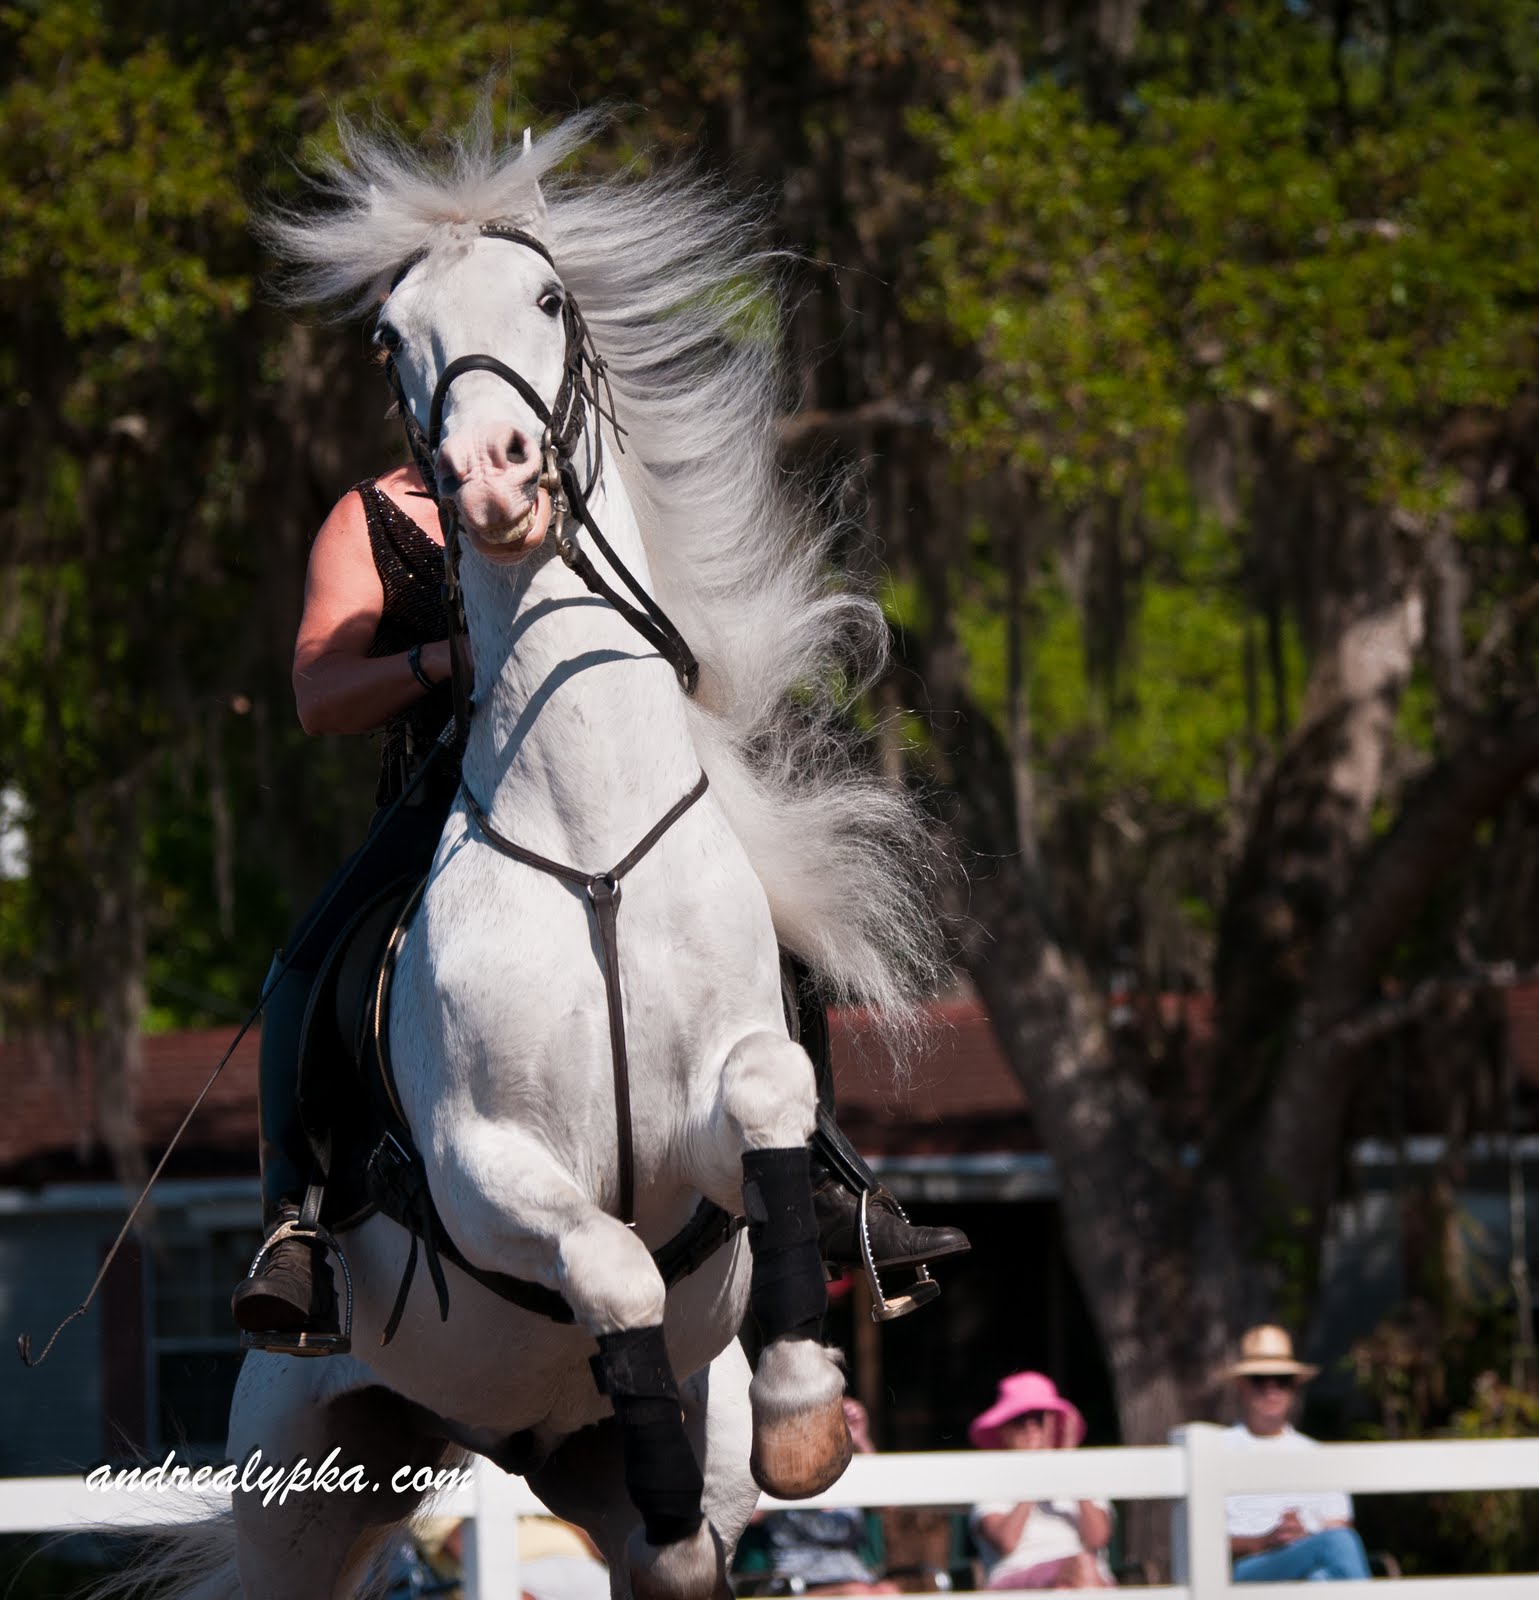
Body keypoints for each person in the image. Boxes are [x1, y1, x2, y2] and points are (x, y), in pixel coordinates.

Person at [230, 463, 968, 1348]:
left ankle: (826, 1184)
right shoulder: (376, 517)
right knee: (304, 966)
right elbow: (320, 694)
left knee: (772, 927)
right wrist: (451, 657)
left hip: (626, 792)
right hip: (450, 809)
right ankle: (297, 1227)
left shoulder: (601, 490)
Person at [1220, 1324, 1373, 1584]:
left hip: (1311, 1562)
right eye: (1259, 1379)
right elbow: (1201, 1539)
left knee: (1321, 1577)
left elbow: (1338, 1525)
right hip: (1247, 1570)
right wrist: (1263, 1541)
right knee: (1336, 1546)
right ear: (1242, 1386)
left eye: (1282, 1380)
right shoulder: (1218, 1449)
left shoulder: (1315, 1453)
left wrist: (1304, 1536)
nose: (1271, 1389)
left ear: (1293, 1387)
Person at [968, 1372, 1114, 1590]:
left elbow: (1097, 1538)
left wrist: (1069, 1470)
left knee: (1078, 1574)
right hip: (1019, 1576)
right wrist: (1037, 1474)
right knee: (1079, 1570)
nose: (1030, 1427)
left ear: (1053, 1423)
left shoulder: (1085, 1476)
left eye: (1038, 1418)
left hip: (1086, 1576)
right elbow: (1006, 1541)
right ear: (1003, 1429)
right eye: (1019, 1419)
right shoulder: (990, 1481)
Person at [749, 1398, 897, 1594]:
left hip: (856, 1576)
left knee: (889, 1591)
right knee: (857, 1592)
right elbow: (749, 1516)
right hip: (798, 1583)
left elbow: (887, 1504)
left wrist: (860, 1440)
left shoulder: (848, 1475)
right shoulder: (782, 1474)